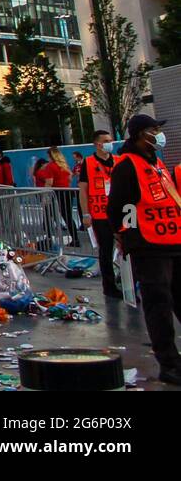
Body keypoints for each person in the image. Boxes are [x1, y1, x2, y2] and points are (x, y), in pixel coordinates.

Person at [107, 114, 181, 384]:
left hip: (173, 242)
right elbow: (118, 206)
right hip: (149, 246)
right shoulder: (127, 165)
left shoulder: (156, 162)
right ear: (140, 134)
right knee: (159, 306)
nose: (159, 134)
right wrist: (127, 236)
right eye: (154, 130)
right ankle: (170, 364)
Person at [77, 130, 121, 299]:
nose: (110, 143)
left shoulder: (118, 161)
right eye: (106, 140)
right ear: (97, 144)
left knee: (126, 249)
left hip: (119, 212)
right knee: (106, 250)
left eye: (111, 140)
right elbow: (83, 190)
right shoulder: (88, 163)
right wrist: (86, 213)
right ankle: (109, 286)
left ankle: (128, 284)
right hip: (100, 213)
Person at [35, 147, 79, 241]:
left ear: (50, 155)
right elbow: (70, 178)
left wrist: (45, 196)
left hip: (57, 193)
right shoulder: (63, 165)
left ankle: (50, 237)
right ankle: (75, 239)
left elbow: (49, 182)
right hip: (67, 192)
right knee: (68, 216)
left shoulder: (50, 166)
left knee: (48, 214)